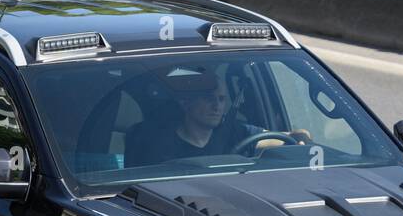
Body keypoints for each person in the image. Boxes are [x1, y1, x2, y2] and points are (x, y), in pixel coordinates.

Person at [126, 69, 308, 167]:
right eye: (209, 99)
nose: (217, 106)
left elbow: (279, 139)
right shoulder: (159, 145)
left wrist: (299, 137)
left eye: (222, 99)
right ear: (186, 103)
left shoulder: (236, 132)